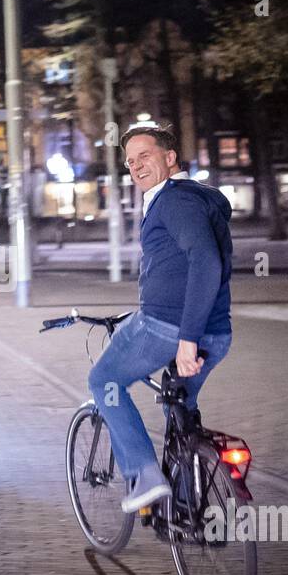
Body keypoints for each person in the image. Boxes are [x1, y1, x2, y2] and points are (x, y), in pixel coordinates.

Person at [88, 122, 234, 513]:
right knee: (180, 407)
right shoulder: (196, 199)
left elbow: (206, 261)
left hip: (168, 328)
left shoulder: (173, 200)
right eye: (130, 161)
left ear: (170, 158)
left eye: (145, 156)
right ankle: (188, 509)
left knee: (104, 380)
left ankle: (145, 475)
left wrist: (186, 339)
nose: (135, 166)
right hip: (216, 332)